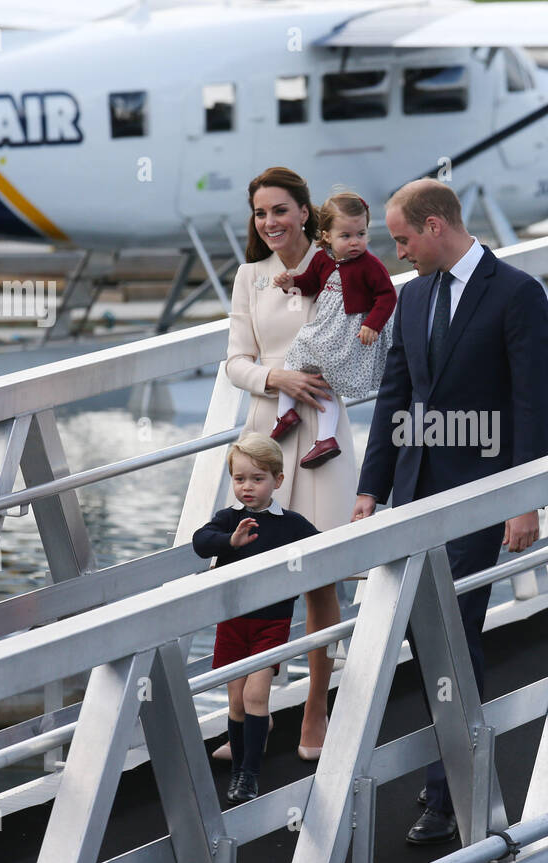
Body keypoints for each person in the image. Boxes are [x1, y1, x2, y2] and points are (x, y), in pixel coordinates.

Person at [351, 178, 548, 845]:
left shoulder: (517, 294)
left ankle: (444, 795)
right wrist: (369, 489)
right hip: (415, 492)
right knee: (423, 632)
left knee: (453, 628)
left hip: (482, 496)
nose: (397, 250)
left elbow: (533, 404)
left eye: (403, 237)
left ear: (436, 226)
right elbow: (393, 397)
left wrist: (523, 500)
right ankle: (455, 757)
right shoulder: (413, 298)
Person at [224, 167, 355, 760]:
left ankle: (315, 710)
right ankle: (252, 716)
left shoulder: (335, 269)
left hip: (322, 430)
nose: (270, 222)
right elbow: (235, 361)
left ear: (305, 211)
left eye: (280, 210)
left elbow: (359, 338)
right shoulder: (250, 277)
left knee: (321, 573)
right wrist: (274, 376)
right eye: (260, 213)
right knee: (256, 570)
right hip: (266, 437)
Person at [192, 433, 320, 804]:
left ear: (278, 481)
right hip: (232, 623)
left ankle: (248, 776)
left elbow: (322, 545)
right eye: (239, 478)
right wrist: (230, 542)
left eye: (257, 478)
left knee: (255, 693)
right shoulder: (228, 520)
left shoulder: (291, 524)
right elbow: (201, 541)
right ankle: (239, 766)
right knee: (235, 703)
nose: (247, 487)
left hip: (271, 624)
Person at [271, 190, 397, 469]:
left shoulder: (370, 265)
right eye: (346, 236)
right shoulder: (322, 259)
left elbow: (387, 296)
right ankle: (307, 427)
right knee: (303, 369)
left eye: (361, 234)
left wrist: (371, 324)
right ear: (326, 235)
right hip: (328, 327)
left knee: (311, 368)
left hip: (349, 332)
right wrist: (287, 283)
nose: (355, 242)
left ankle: (305, 426)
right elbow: (308, 284)